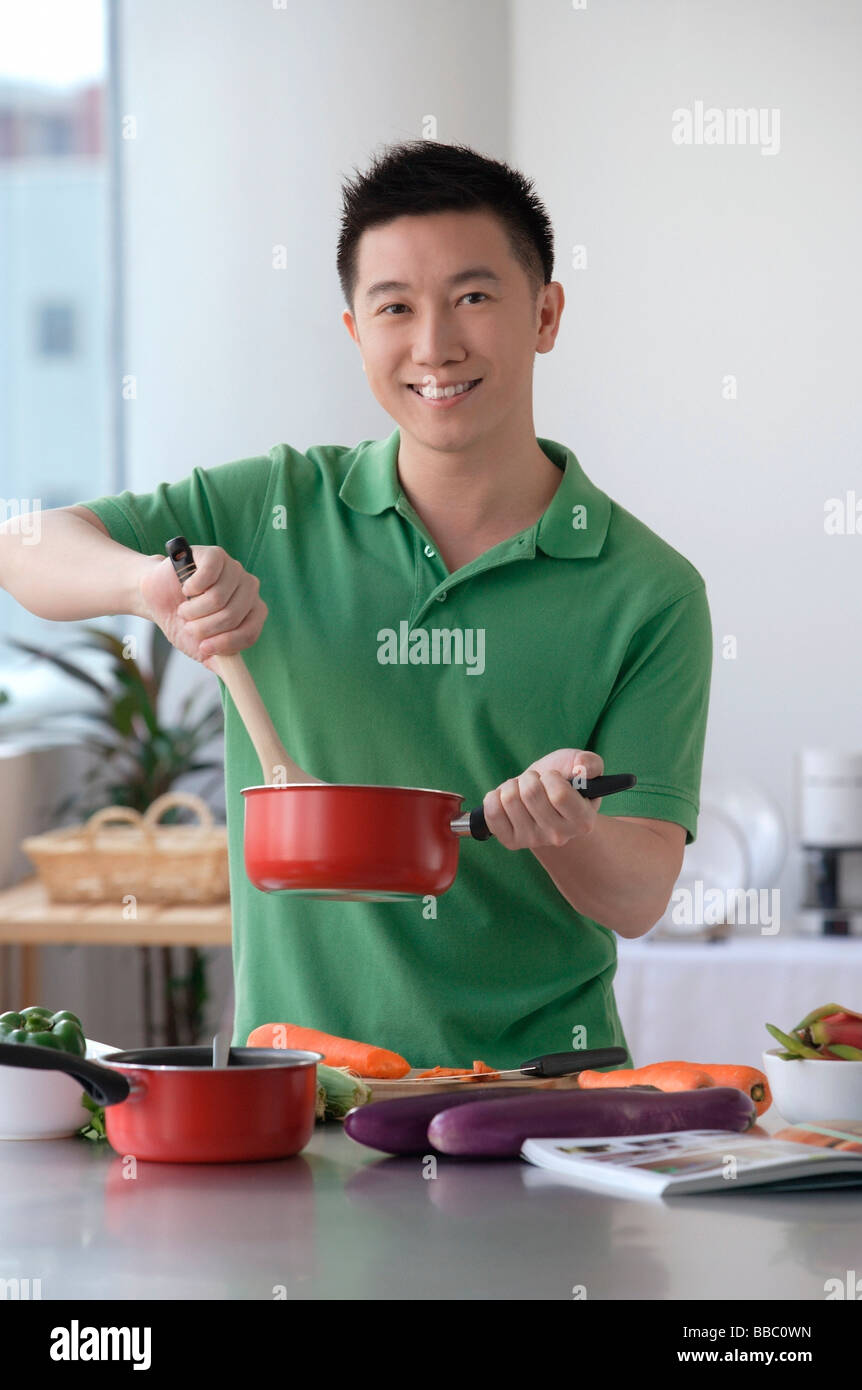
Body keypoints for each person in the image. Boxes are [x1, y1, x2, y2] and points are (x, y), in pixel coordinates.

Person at [0, 140, 711, 1069]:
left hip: (542, 1105)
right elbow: (24, 547)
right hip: (297, 1094)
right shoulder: (268, 506)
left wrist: (567, 833)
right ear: (354, 334)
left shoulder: (649, 590)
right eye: (395, 308)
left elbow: (639, 896)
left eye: (473, 297)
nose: (434, 346)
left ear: (546, 313)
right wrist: (147, 586)